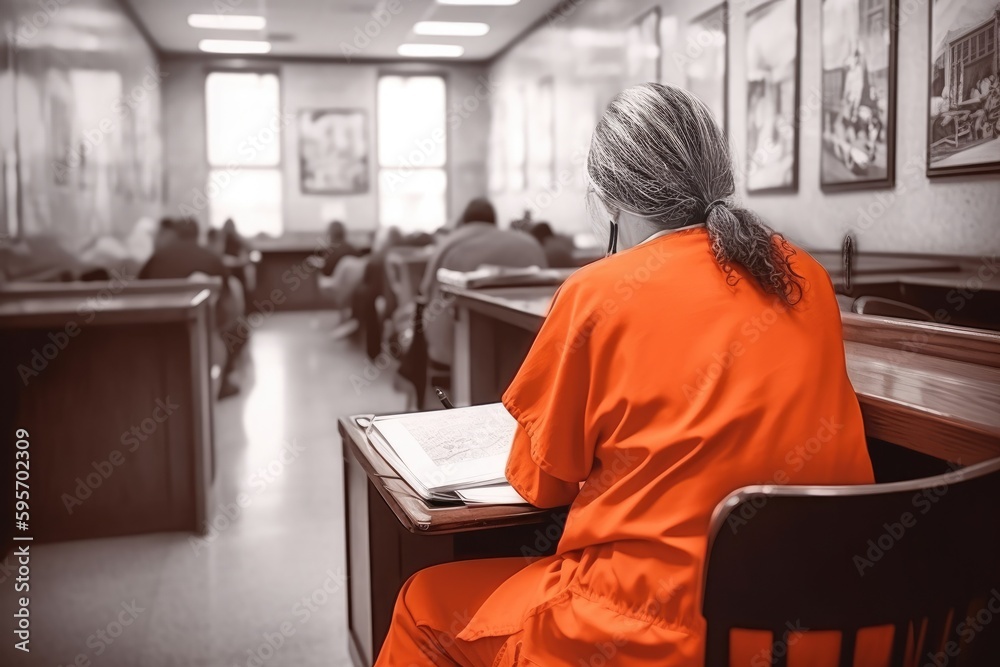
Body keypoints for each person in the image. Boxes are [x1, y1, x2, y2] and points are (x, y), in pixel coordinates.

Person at [376, 84, 884, 666]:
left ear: (610, 200)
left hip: (654, 634)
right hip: (825, 627)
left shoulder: (596, 293)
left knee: (422, 602)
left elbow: (542, 481)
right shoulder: (807, 278)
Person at [418, 197, 547, 370]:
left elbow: (425, 292)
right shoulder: (528, 243)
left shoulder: (448, 244)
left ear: (463, 220)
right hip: (529, 347)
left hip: (457, 348)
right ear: (494, 221)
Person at [140, 218, 242, 398]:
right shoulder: (211, 259)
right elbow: (228, 301)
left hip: (159, 331)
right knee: (238, 330)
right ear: (198, 235)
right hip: (205, 329)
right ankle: (222, 382)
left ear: (175, 235)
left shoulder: (157, 258)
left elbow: (139, 291)